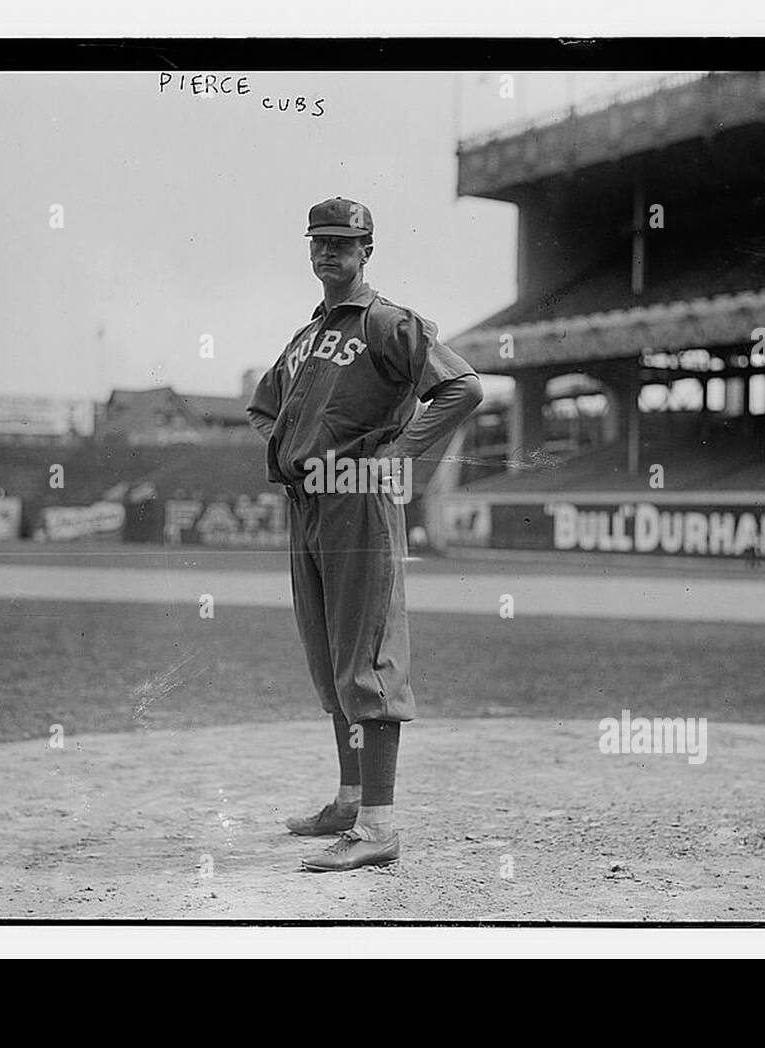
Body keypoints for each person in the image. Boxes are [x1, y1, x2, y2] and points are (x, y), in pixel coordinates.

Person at [245, 197, 483, 872]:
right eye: (318, 241)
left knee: (369, 658)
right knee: (329, 656)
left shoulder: (388, 322)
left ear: (367, 252)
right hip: (308, 502)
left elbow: (462, 388)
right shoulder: (304, 337)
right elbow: (264, 408)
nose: (327, 252)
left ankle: (379, 826)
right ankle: (349, 801)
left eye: (342, 244)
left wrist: (394, 456)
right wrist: (295, 450)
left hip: (358, 500)